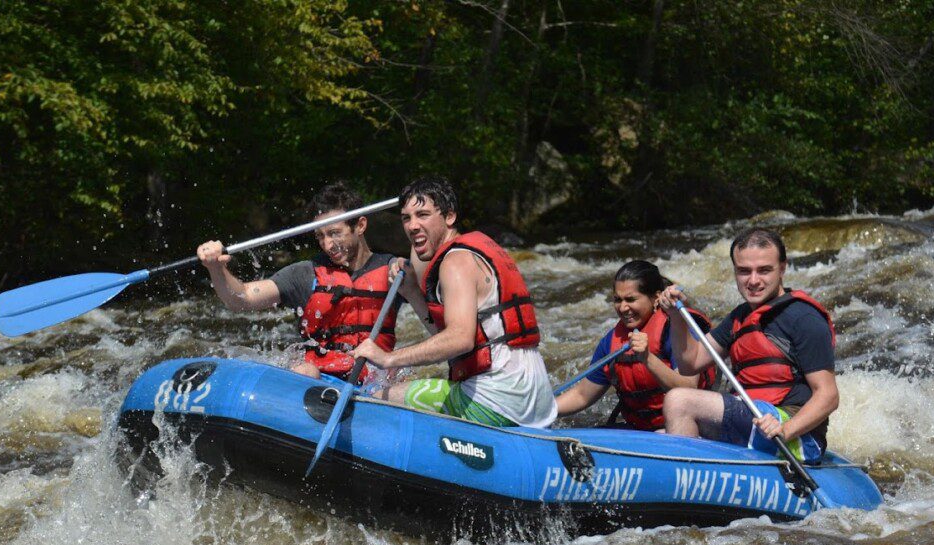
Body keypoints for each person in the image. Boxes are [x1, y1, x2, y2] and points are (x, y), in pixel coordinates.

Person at [350, 176, 557, 429]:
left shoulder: (455, 262)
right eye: (406, 217)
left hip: (497, 401)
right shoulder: (477, 251)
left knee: (376, 396)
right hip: (536, 403)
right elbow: (451, 336)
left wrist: (388, 358)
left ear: (449, 216)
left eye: (423, 215)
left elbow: (460, 339)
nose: (412, 226)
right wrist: (413, 292)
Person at [196, 182, 422, 382]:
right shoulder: (305, 274)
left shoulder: (395, 271)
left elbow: (435, 313)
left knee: (405, 381)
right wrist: (216, 268)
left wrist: (411, 276)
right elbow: (242, 299)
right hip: (319, 379)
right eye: (320, 236)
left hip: (374, 380)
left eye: (334, 233)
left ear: (360, 225)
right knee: (305, 372)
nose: (327, 245)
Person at [657, 227, 837, 461]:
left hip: (796, 436)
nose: (753, 281)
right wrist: (676, 318)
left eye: (764, 270)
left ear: (782, 268)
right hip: (754, 420)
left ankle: (686, 487)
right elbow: (692, 362)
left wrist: (785, 430)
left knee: (679, 401)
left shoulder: (804, 319)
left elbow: (829, 395)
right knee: (661, 436)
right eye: (744, 271)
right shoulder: (740, 317)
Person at [556, 260, 715, 430]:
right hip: (639, 431)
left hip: (686, 428)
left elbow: (688, 388)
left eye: (631, 299)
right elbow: (582, 395)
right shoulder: (612, 341)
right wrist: (542, 411)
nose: (623, 308)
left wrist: (647, 358)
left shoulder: (676, 329)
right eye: (618, 300)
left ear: (655, 298)